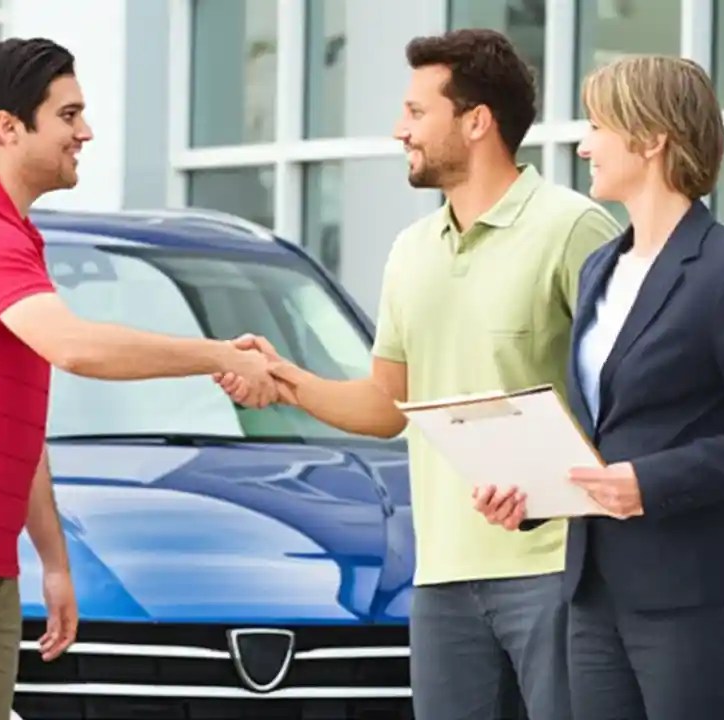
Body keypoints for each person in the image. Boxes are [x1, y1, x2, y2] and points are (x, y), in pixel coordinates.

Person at [0, 37, 277, 720]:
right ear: (9, 128)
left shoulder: (12, 235)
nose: (87, 132)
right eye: (69, 115)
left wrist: (52, 560)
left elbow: (14, 424)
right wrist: (220, 355)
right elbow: (76, 348)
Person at [218, 28, 620, 720]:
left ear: (476, 122)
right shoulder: (411, 251)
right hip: (440, 580)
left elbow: (626, 394)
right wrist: (289, 380)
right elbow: (387, 403)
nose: (399, 129)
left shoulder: (572, 228)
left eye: (415, 111)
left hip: (553, 569)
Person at [476, 56, 724, 718]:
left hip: (689, 599)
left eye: (598, 125)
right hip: (592, 591)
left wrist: (649, 482)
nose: (583, 144)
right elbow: (602, 428)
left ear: (652, 136)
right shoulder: (601, 266)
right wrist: (532, 494)